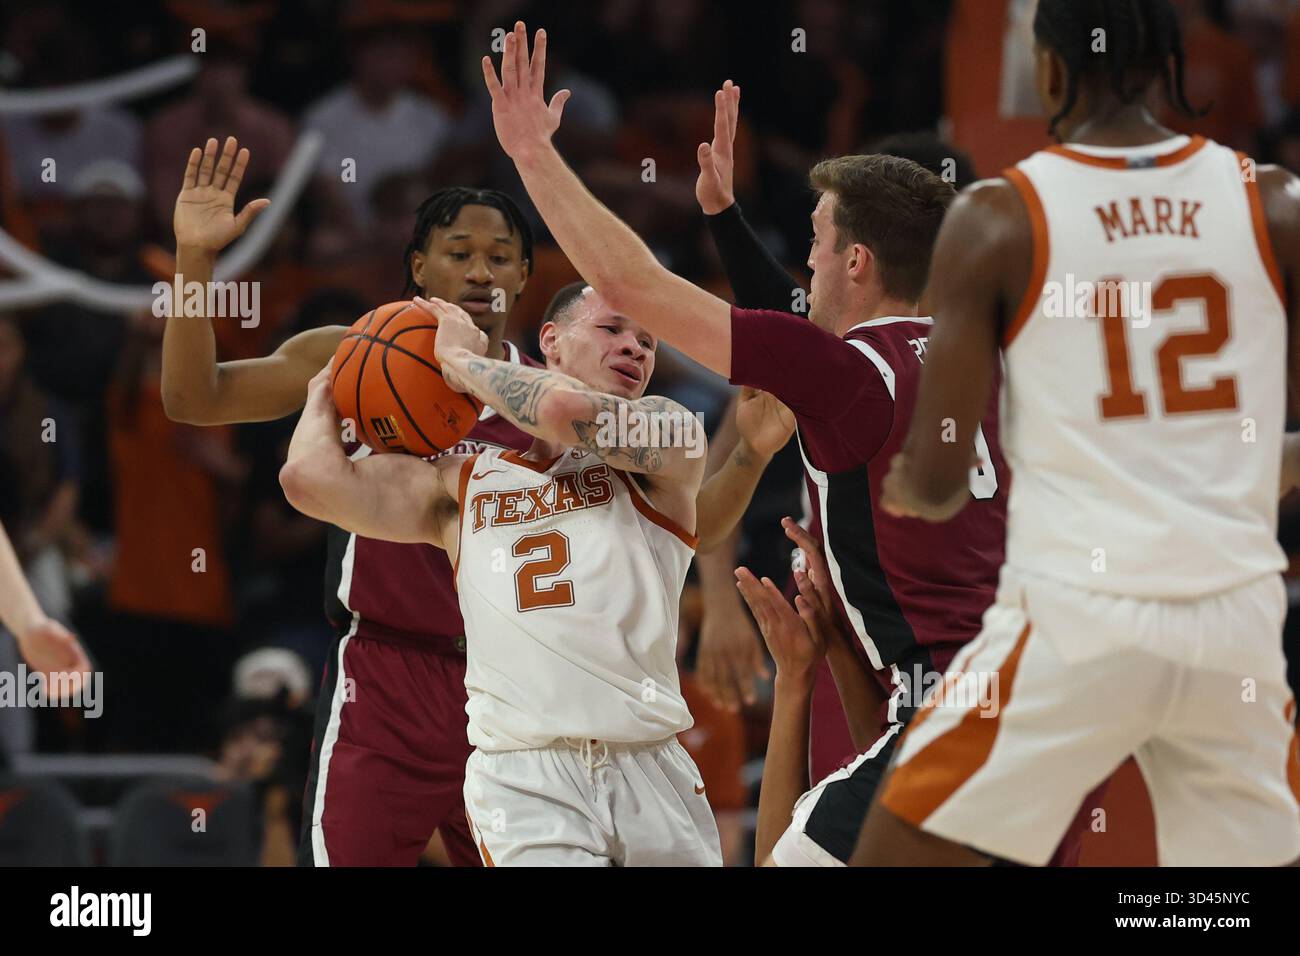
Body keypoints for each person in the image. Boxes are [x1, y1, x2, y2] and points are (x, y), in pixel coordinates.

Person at [478, 24, 1024, 867]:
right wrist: (726, 219)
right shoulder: (986, 357)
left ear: (857, 262)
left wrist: (530, 155)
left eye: (816, 243)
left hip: (948, 713)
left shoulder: (846, 371)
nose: (804, 266)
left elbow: (635, 288)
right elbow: (795, 314)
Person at [161, 136, 787, 865]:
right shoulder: (357, 361)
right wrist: (194, 259)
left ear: (525, 276)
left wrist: (725, 557)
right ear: (418, 266)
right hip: (386, 674)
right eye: (458, 253)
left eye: (499, 257)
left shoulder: (558, 397)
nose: (480, 271)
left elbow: (678, 516)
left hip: (516, 692)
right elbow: (191, 396)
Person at [857, 0, 1300, 867]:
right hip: (1235, 621)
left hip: (1077, 618)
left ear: (1049, 70)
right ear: (1169, 62)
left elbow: (943, 472)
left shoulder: (997, 216)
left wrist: (915, 483)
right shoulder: (1274, 202)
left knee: (886, 857)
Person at [279, 288, 722, 866]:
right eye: (613, 329)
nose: (634, 347)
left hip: (651, 761)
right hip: (525, 777)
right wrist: (333, 381)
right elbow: (307, 480)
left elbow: (562, 413)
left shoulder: (671, 435)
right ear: (551, 342)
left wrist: (461, 362)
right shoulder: (462, 480)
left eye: (647, 342)